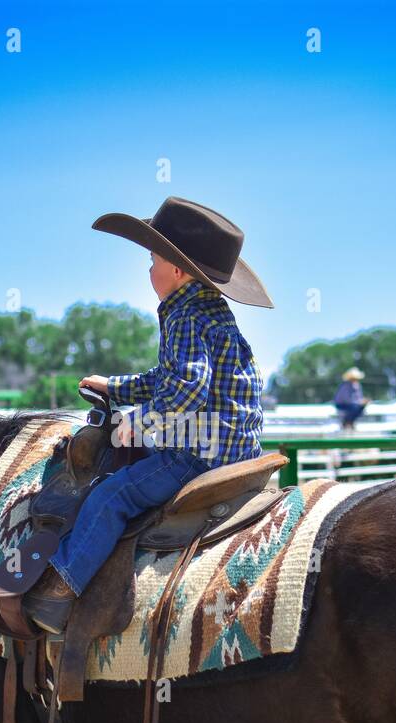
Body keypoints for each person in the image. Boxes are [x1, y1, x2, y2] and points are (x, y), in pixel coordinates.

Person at [23, 196, 274, 634]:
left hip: (199, 453)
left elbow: (186, 389)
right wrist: (115, 387)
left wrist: (137, 421)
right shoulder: (210, 310)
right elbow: (171, 376)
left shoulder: (184, 316)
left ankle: (59, 591)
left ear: (177, 270)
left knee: (111, 496)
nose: (149, 268)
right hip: (237, 444)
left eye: (153, 258)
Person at [333, 367, 367, 433]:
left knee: (360, 407)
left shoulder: (357, 386)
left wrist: (362, 401)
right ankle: (347, 423)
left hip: (351, 405)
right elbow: (346, 399)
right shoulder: (345, 386)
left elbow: (359, 397)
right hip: (341, 405)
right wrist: (358, 402)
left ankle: (349, 423)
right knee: (355, 407)